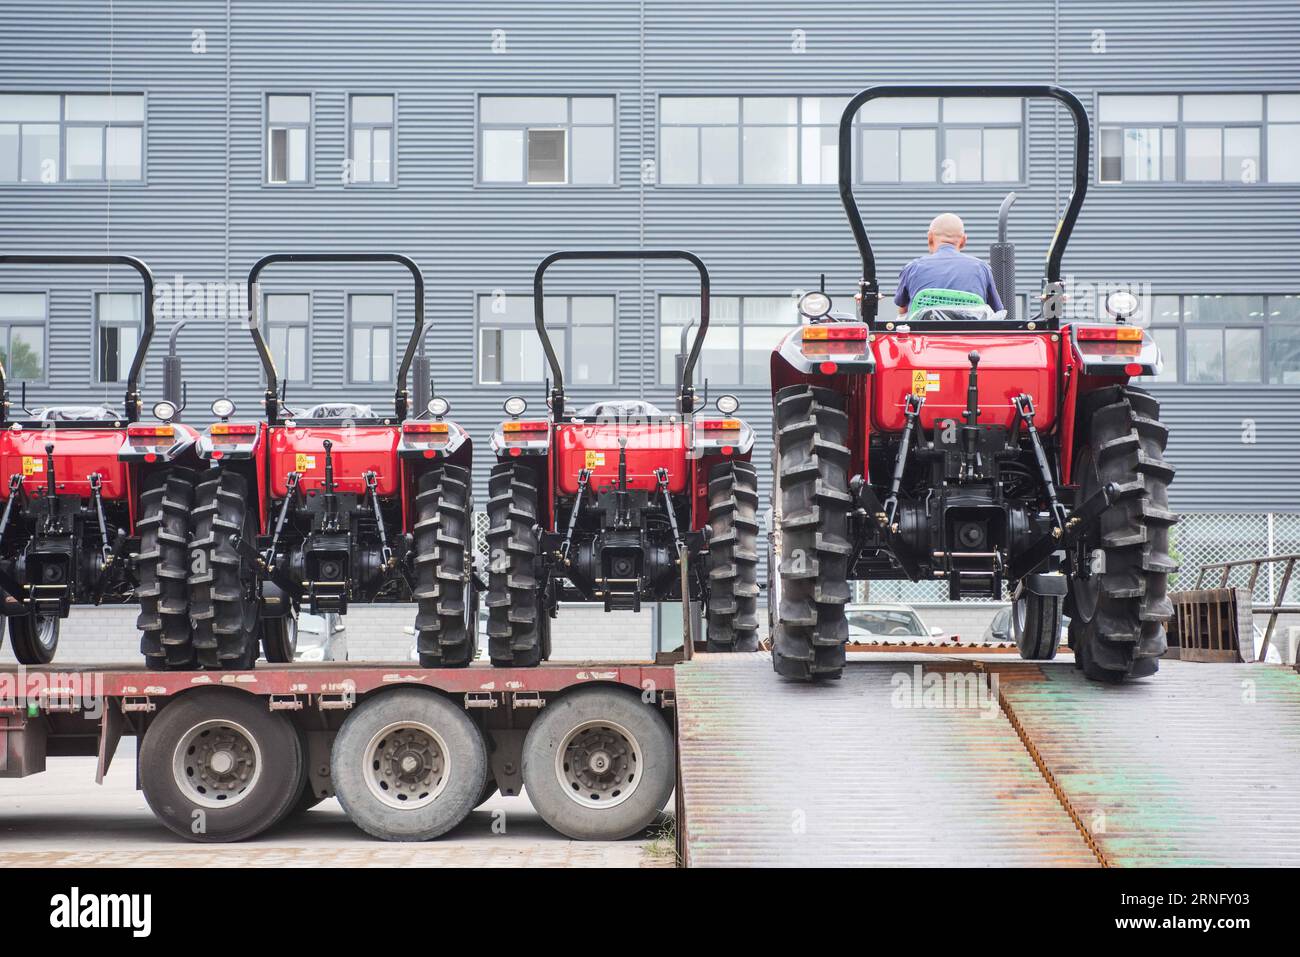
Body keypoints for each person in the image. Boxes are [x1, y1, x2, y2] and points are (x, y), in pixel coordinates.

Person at [894, 213, 1003, 316]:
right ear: (964, 240)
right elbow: (997, 312)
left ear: (930, 237)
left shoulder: (913, 268)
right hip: (969, 334)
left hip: (926, 334)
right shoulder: (981, 268)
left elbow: (903, 311)